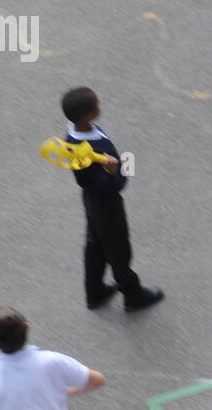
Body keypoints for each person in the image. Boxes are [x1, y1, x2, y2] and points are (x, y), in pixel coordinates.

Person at [61, 87, 163, 312]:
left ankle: (94, 292)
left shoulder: (79, 132)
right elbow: (97, 185)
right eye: (96, 105)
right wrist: (110, 171)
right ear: (88, 115)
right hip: (105, 203)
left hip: (93, 203)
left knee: (95, 245)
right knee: (118, 250)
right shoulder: (83, 149)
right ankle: (133, 294)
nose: (100, 107)